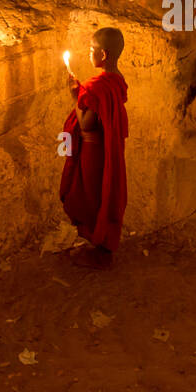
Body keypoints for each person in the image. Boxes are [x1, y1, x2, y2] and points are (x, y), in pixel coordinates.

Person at [60, 27, 129, 269]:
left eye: (92, 49)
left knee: (90, 197)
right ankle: (100, 245)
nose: (89, 53)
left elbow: (87, 124)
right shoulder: (116, 79)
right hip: (107, 151)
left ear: (104, 54)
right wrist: (82, 94)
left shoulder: (98, 86)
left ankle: (99, 250)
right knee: (102, 194)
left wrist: (74, 96)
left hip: (93, 153)